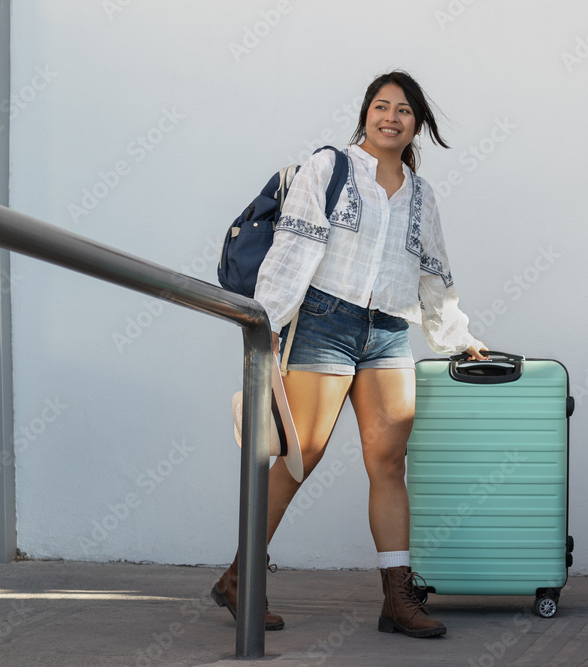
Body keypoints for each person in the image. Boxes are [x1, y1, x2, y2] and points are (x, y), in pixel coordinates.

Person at [211, 70, 487, 639]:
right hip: (322, 321)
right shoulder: (329, 167)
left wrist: (458, 337)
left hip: (387, 331)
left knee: (388, 463)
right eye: (381, 106)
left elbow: (434, 274)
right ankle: (240, 577)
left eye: (404, 110)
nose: (392, 117)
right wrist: (264, 319)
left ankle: (396, 599)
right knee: (299, 457)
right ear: (365, 114)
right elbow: (295, 244)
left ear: (418, 124)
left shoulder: (421, 194)